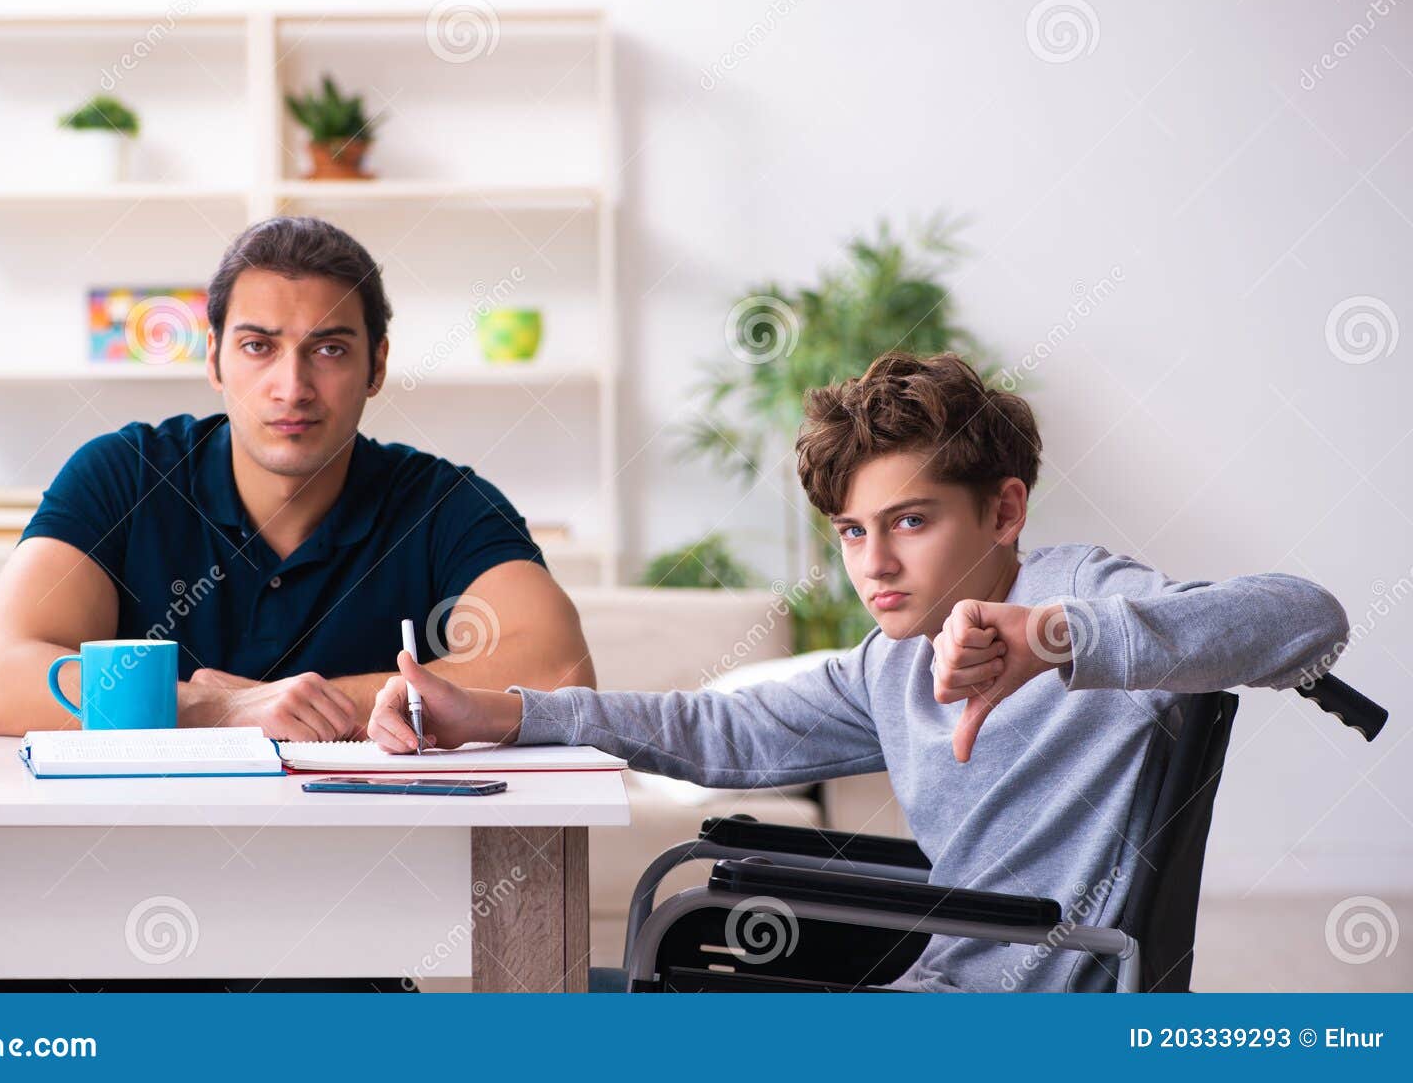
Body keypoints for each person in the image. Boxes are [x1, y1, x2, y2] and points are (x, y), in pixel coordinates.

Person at [364, 350, 1351, 992]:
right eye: (850, 531)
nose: (873, 562)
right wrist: (499, 711)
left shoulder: (1075, 592)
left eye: (910, 522)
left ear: (1002, 514)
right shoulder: (894, 658)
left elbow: (1305, 619)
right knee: (560, 993)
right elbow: (716, 731)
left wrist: (1049, 638)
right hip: (925, 991)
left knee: (551, 1003)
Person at [0, 214, 594, 742]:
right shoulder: (123, 474)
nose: (292, 388)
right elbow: (0, 680)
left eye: (329, 350)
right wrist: (217, 708)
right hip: (141, 847)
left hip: (380, 856)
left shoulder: (441, 503)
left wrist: (315, 708)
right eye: (258, 346)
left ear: (376, 366)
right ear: (212, 357)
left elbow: (559, 673)